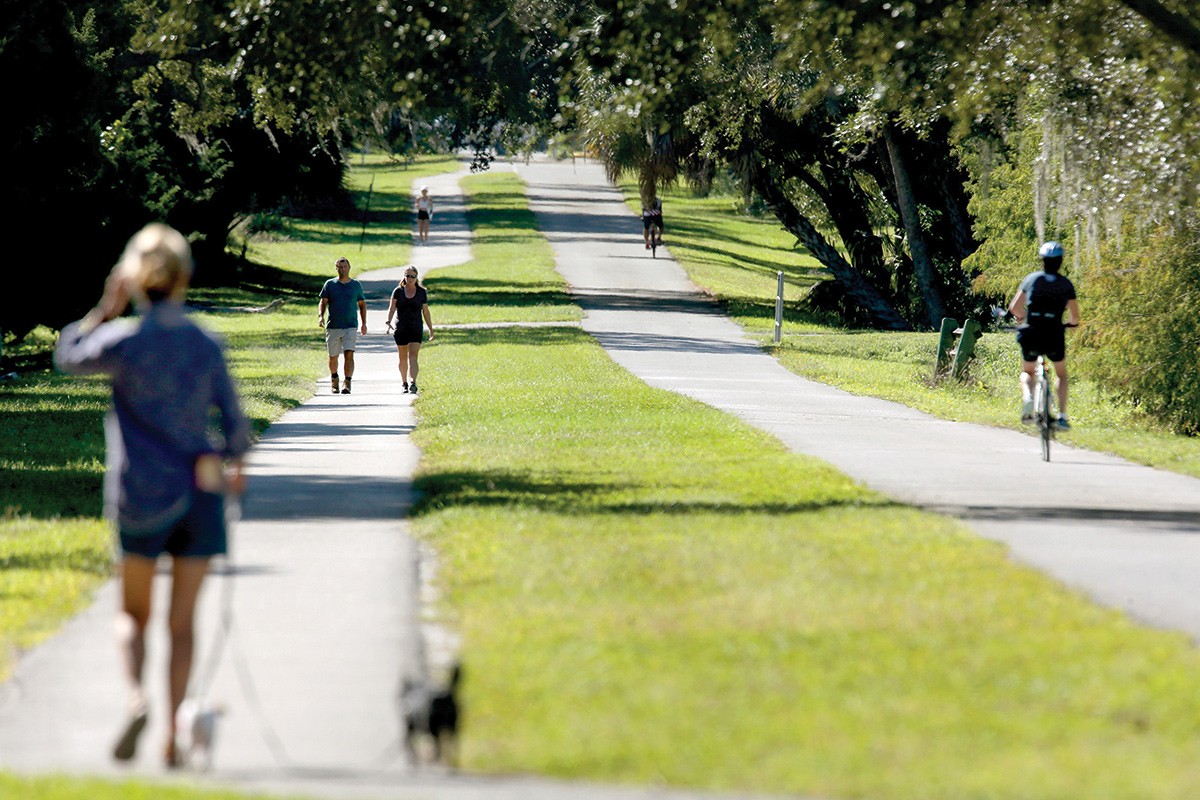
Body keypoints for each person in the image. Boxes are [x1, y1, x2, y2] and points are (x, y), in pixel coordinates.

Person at [54, 223, 250, 768]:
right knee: (182, 624)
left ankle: (136, 697)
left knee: (133, 615)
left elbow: (67, 356)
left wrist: (104, 309)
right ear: (186, 276)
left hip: (140, 493)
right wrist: (236, 468)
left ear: (135, 279)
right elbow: (236, 430)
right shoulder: (205, 342)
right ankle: (171, 739)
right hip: (200, 494)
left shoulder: (124, 342)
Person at [1008, 240, 1081, 430]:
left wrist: (1023, 318)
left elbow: (1014, 307)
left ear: (1043, 261)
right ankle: (1063, 417)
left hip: (1031, 332)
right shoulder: (1065, 284)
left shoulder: (1032, 279)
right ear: (1060, 261)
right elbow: (1075, 315)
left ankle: (1028, 399)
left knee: (1028, 371)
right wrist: (1072, 324)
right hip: (1054, 334)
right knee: (1061, 373)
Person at [318, 257, 367, 394]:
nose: (342, 269)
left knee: (349, 354)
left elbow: (362, 305)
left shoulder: (356, 285)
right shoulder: (330, 284)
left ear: (349, 268)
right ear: (336, 268)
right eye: (339, 267)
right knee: (333, 356)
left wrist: (364, 324)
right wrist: (321, 316)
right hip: (333, 325)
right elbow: (323, 302)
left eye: (344, 266)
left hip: (350, 325)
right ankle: (334, 379)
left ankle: (347, 382)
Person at [385, 265, 434, 394]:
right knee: (402, 357)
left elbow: (426, 312)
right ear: (404, 277)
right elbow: (392, 308)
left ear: (416, 277)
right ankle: (404, 383)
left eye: (413, 276)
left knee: (413, 356)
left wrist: (431, 329)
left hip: (416, 327)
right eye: (407, 276)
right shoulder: (398, 291)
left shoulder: (421, 292)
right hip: (401, 328)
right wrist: (388, 321)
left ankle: (413, 382)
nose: (410, 278)